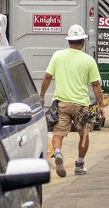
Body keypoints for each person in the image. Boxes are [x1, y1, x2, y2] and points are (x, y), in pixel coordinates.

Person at [45, 23, 105, 178]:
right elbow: (96, 85)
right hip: (81, 105)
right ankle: (79, 164)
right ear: (83, 42)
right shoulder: (89, 60)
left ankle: (58, 152)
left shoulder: (57, 56)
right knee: (83, 134)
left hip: (62, 104)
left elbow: (47, 76)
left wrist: (41, 94)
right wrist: (101, 106)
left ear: (68, 42)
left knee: (58, 133)